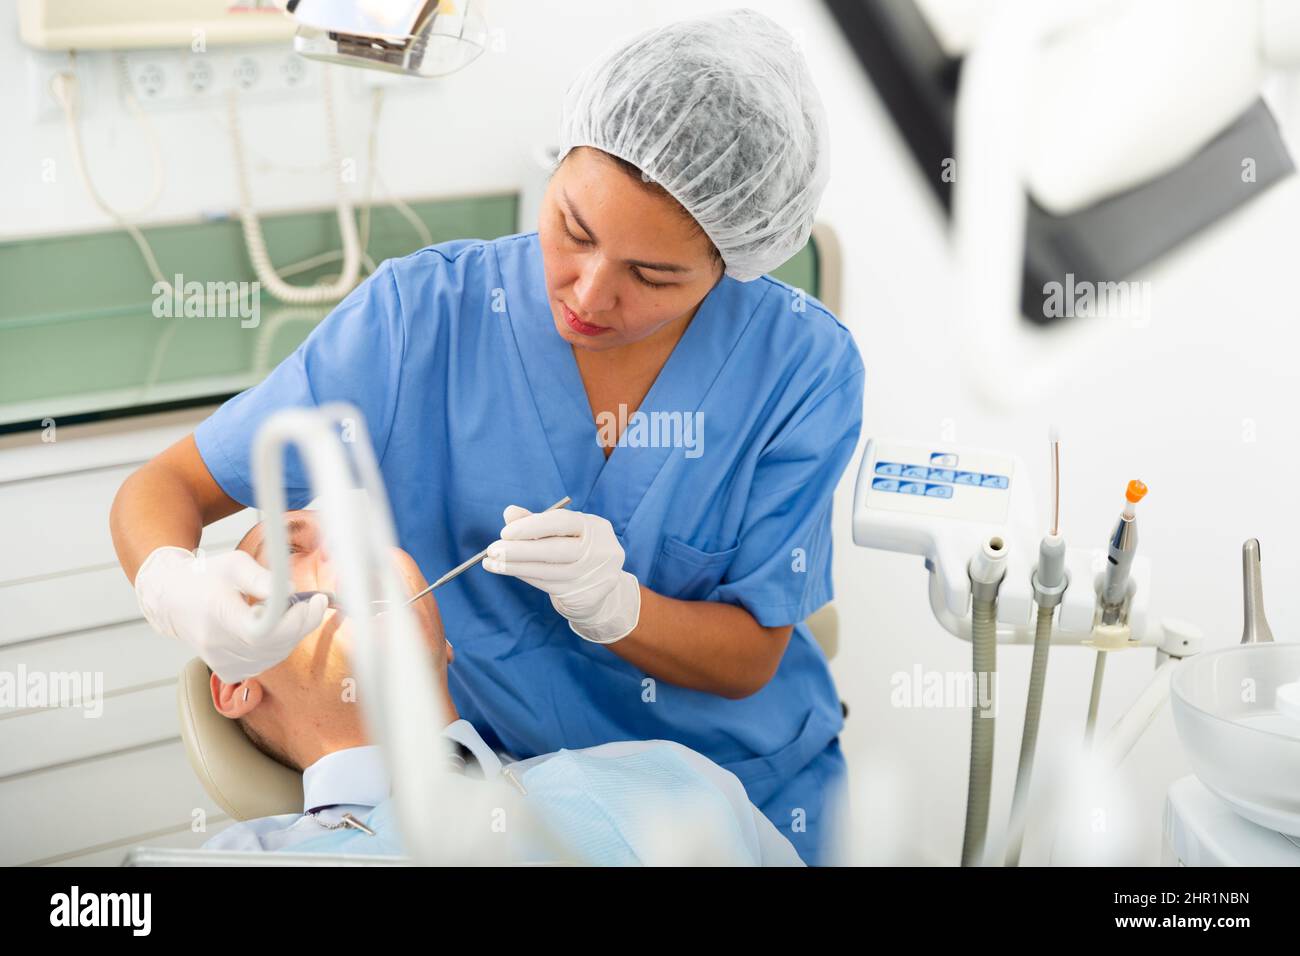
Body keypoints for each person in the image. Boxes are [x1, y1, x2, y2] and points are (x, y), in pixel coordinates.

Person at [111, 9, 863, 864]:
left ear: (734, 260)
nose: (586, 292)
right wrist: (174, 583)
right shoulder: (422, 321)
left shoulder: (800, 370)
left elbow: (750, 655)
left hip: (743, 787)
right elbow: (162, 491)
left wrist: (622, 611)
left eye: (652, 276)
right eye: (573, 229)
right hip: (511, 786)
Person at [203, 512, 803, 866]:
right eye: (291, 547)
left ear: (444, 646)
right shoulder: (246, 859)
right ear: (235, 683)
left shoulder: (667, 774)